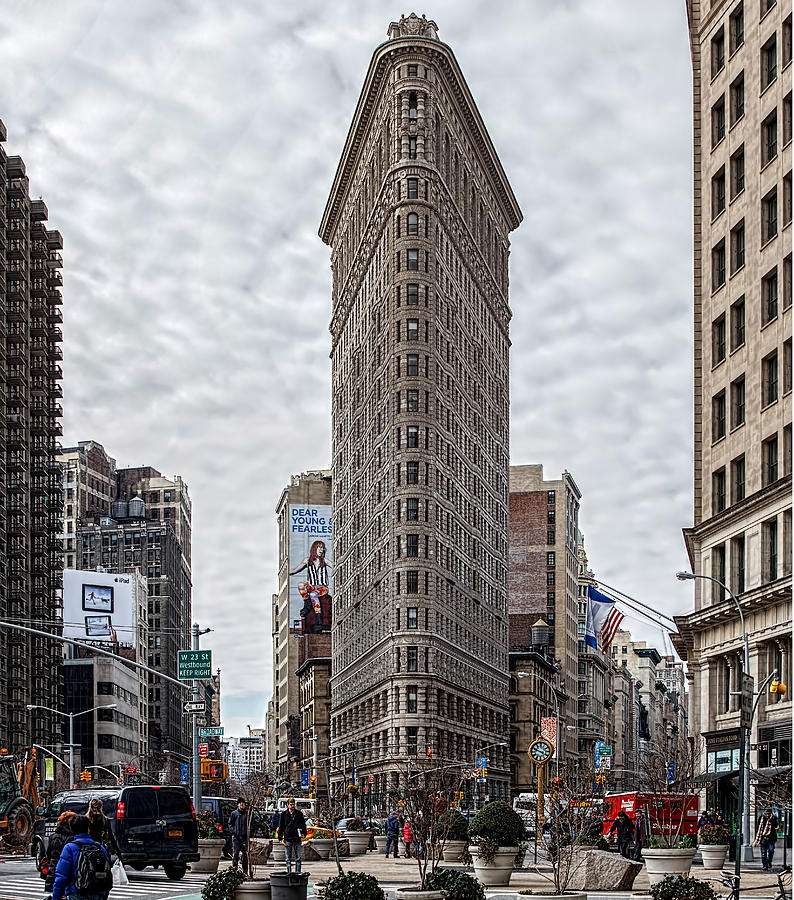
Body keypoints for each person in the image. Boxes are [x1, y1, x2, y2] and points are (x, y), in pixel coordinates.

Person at [52, 814, 112, 900]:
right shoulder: (100, 847)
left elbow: (61, 877)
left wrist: (56, 897)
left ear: (72, 829)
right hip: (98, 893)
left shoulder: (70, 848)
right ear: (88, 829)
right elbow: (107, 873)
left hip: (77, 893)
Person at [43, 811, 77, 899]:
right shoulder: (73, 839)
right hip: (68, 874)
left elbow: (48, 855)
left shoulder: (53, 837)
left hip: (54, 872)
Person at [278, 797, 308, 874]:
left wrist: (304, 833)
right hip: (288, 838)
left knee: (298, 858)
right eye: (291, 804)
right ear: (287, 805)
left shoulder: (299, 814)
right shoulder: (283, 814)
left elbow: (303, 825)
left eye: (293, 804)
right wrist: (280, 838)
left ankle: (298, 873)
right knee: (288, 858)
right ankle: (289, 873)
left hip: (297, 838)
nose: (292, 806)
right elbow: (281, 827)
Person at [228, 798, 249, 876]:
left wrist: (249, 832)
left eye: (243, 803)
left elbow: (252, 824)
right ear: (238, 804)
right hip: (236, 837)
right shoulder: (234, 813)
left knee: (245, 854)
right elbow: (230, 824)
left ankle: (245, 871)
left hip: (244, 837)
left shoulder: (247, 814)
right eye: (240, 803)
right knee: (235, 854)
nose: (241, 804)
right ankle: (234, 869)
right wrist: (234, 831)